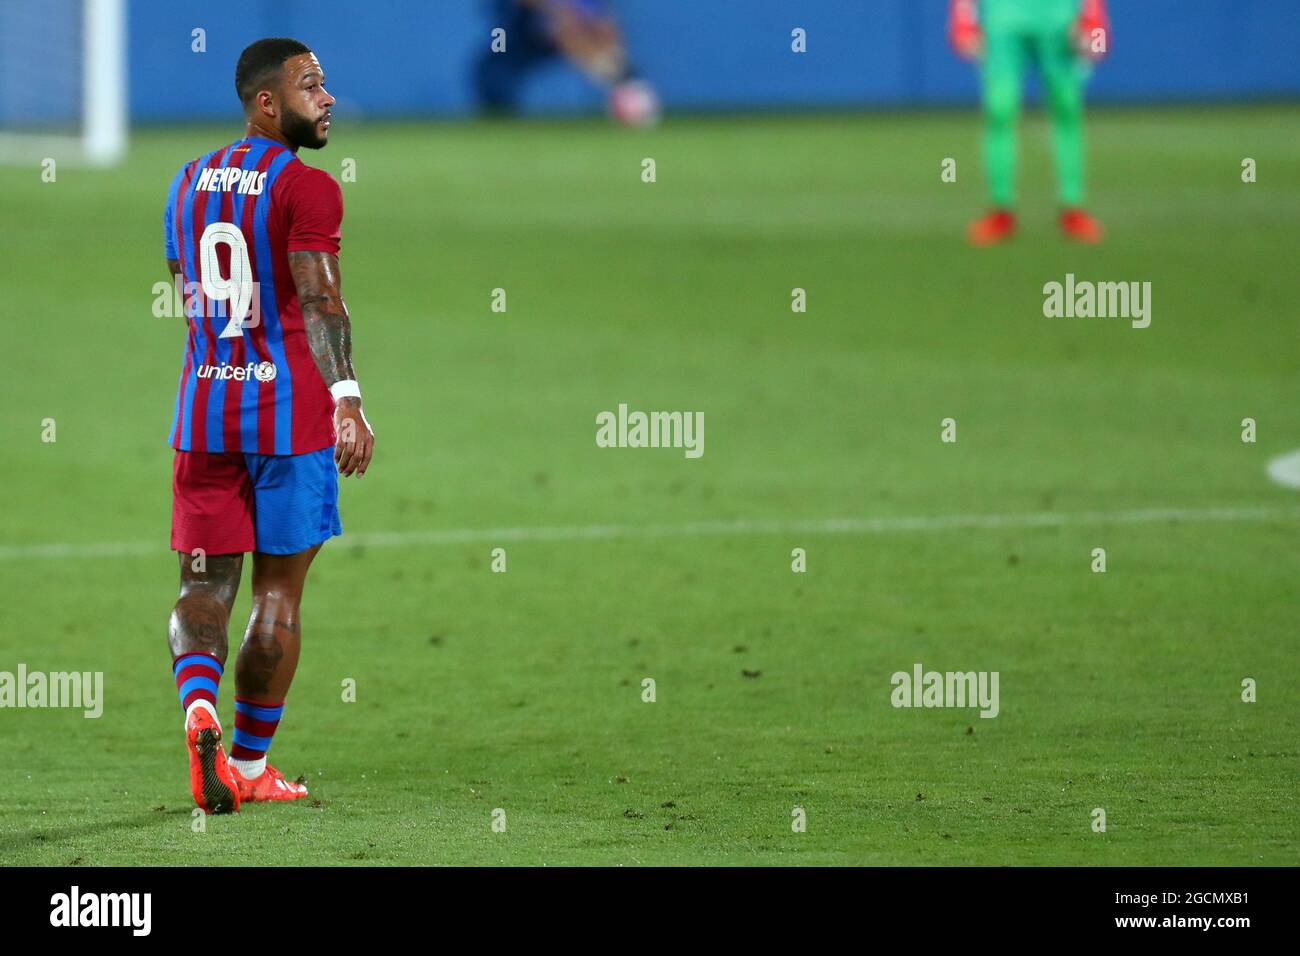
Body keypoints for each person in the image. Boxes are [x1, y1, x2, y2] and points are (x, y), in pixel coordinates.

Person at [162, 37, 374, 813]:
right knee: (276, 597)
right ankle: (248, 765)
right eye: (310, 86)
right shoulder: (308, 188)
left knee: (203, 581)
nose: (326, 98)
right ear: (266, 103)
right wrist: (346, 396)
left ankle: (199, 710)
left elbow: (188, 294)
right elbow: (320, 301)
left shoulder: (184, 183)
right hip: (289, 422)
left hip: (204, 411)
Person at [949, 0, 1110, 244]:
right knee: (999, 110)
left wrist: (1094, 22)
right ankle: (1001, 209)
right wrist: (962, 21)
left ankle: (1072, 207)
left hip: (1058, 19)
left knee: (1067, 108)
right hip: (1003, 18)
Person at [476, 0, 660, 126]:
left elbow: (600, 17)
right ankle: (614, 79)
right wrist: (557, 10)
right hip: (524, 32)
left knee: (602, 31)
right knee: (564, 26)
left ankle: (625, 83)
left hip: (578, 27)